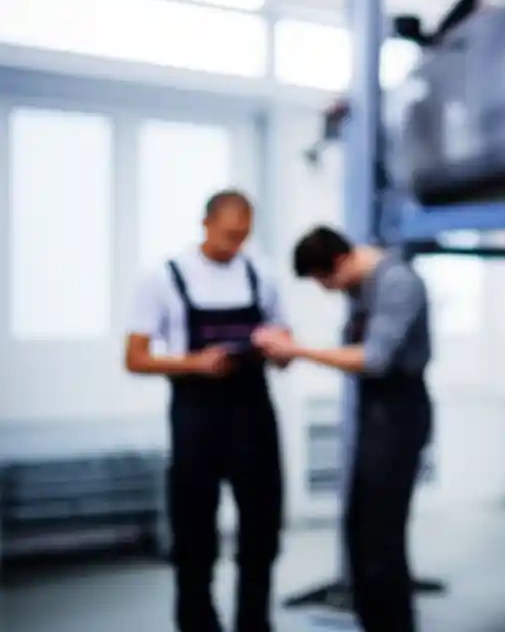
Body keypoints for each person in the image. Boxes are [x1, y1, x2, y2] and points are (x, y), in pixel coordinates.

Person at [124, 190, 291, 632]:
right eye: (229, 234)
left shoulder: (261, 273)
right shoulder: (163, 277)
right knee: (194, 528)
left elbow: (284, 340)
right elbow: (135, 358)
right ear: (206, 224)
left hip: (253, 410)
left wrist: (280, 350)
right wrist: (194, 363)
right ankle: (198, 622)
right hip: (196, 412)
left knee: (262, 526)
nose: (236, 244)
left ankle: (254, 622)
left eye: (244, 235)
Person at [252, 226, 432, 632]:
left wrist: (298, 351)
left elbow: (374, 359)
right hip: (374, 415)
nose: (327, 290)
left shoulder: (397, 284)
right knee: (361, 531)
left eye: (323, 281)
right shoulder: (361, 288)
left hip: (400, 414)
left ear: (338, 263)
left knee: (383, 536)